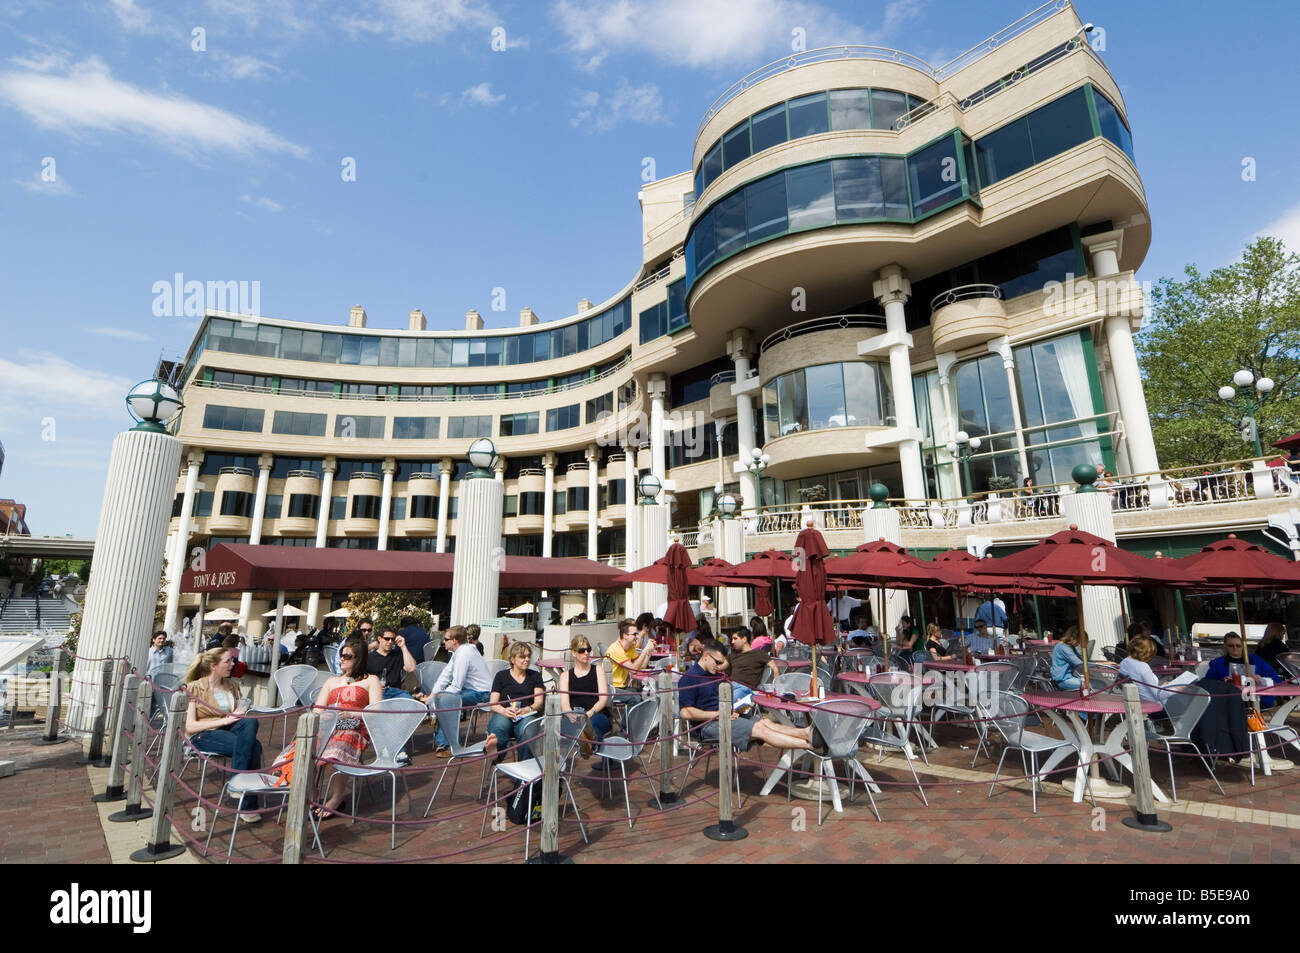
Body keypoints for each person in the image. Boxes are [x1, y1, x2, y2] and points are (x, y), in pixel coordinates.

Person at [678, 638, 813, 752]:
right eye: (717, 662)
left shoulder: (716, 675)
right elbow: (685, 713)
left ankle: (806, 733)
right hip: (707, 726)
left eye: (721, 663)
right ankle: (810, 746)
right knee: (760, 728)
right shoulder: (689, 678)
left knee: (765, 722)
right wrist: (719, 714)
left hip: (726, 716)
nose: (719, 666)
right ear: (706, 656)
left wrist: (735, 706)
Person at [184, 646, 263, 823]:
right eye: (228, 661)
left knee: (251, 722)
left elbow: (236, 717)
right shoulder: (194, 688)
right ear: (213, 666)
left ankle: (236, 782)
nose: (232, 664)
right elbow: (190, 726)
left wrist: (239, 711)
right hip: (204, 734)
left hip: (229, 731)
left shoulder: (232, 686)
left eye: (232, 660)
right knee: (254, 746)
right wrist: (226, 720)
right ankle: (247, 804)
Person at [313, 635, 383, 819]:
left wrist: (352, 713)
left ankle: (337, 797)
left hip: (355, 724)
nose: (342, 659)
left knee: (336, 748)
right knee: (304, 748)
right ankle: (311, 797)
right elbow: (317, 709)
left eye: (347, 656)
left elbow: (377, 711)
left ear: (358, 659)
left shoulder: (371, 680)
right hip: (330, 724)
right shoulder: (331, 681)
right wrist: (326, 714)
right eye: (341, 655)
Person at [424, 626, 493, 757]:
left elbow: (456, 685)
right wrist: (433, 694)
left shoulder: (463, 654)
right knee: (440, 700)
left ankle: (447, 745)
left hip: (482, 693)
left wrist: (437, 698)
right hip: (473, 690)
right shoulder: (460, 652)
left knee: (444, 702)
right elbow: (446, 674)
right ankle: (445, 743)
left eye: (446, 639)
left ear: (454, 641)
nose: (443, 641)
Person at [484, 641, 545, 760]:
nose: (527, 659)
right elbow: (493, 704)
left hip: (526, 714)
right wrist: (504, 711)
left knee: (528, 732)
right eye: (522, 657)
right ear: (512, 659)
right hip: (505, 712)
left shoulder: (535, 676)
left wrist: (526, 709)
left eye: (528, 656)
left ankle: (524, 770)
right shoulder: (501, 676)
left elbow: (538, 702)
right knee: (499, 727)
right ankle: (495, 752)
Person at [558, 633, 611, 740]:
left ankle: (588, 746)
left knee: (592, 724)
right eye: (582, 651)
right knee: (558, 726)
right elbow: (564, 704)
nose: (586, 653)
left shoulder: (598, 670)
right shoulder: (565, 676)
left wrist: (589, 713)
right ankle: (589, 745)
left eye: (588, 649)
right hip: (575, 718)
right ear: (574, 653)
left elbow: (603, 699)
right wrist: (570, 714)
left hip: (596, 714)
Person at [607, 618, 655, 700]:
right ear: (625, 636)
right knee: (635, 698)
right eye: (634, 634)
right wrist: (645, 650)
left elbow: (642, 667)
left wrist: (649, 652)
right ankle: (627, 713)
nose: (637, 637)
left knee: (646, 693)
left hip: (623, 686)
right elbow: (633, 670)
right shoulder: (616, 649)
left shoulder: (630, 647)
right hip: (612, 688)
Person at [1206, 633, 1281, 683]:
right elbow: (1208, 682)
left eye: (1238, 646)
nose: (1235, 648)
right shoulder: (1217, 663)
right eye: (1231, 645)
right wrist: (1222, 681)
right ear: (1225, 647)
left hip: (1258, 698)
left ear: (1243, 647)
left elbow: (1276, 679)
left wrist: (1262, 680)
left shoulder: (1255, 660)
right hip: (1230, 698)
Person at [367, 626, 416, 699]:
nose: (390, 642)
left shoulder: (397, 653)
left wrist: (403, 646)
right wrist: (375, 686)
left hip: (396, 692)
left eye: (392, 639)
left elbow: (411, 668)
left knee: (410, 703)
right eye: (387, 639)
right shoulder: (370, 657)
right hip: (377, 692)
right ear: (379, 639)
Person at [1117, 635, 1164, 708]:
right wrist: (1175, 688)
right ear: (1147, 652)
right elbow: (1157, 694)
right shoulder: (1142, 666)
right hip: (1152, 706)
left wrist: (1163, 686)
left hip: (1136, 703)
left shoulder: (1124, 662)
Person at [146, 630, 173, 720]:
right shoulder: (148, 652)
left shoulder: (169, 652)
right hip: (149, 682)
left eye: (163, 639)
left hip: (162, 684)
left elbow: (170, 666)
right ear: (154, 640)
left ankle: (156, 723)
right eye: (159, 638)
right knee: (148, 704)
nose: (162, 640)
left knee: (160, 705)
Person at [1051, 626, 1087, 690]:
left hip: (1068, 677)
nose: (1079, 644)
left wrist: (1099, 663)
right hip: (1063, 680)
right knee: (1092, 685)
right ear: (1075, 638)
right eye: (1080, 641)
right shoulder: (1064, 648)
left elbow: (1081, 660)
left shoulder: (1068, 646)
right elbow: (1079, 663)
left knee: (1097, 683)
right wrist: (1098, 665)